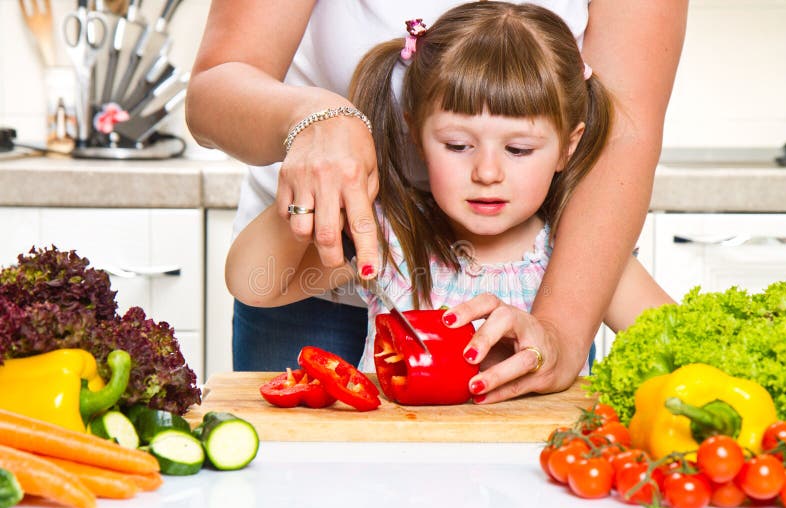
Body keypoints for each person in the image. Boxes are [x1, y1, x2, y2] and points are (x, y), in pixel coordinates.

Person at [187, 1, 687, 399]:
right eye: (457, 145)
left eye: (518, 149)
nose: (487, 172)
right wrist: (314, 179)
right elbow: (253, 284)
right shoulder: (394, 243)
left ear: (569, 145)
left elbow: (679, 346)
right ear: (415, 134)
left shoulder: (570, 252)